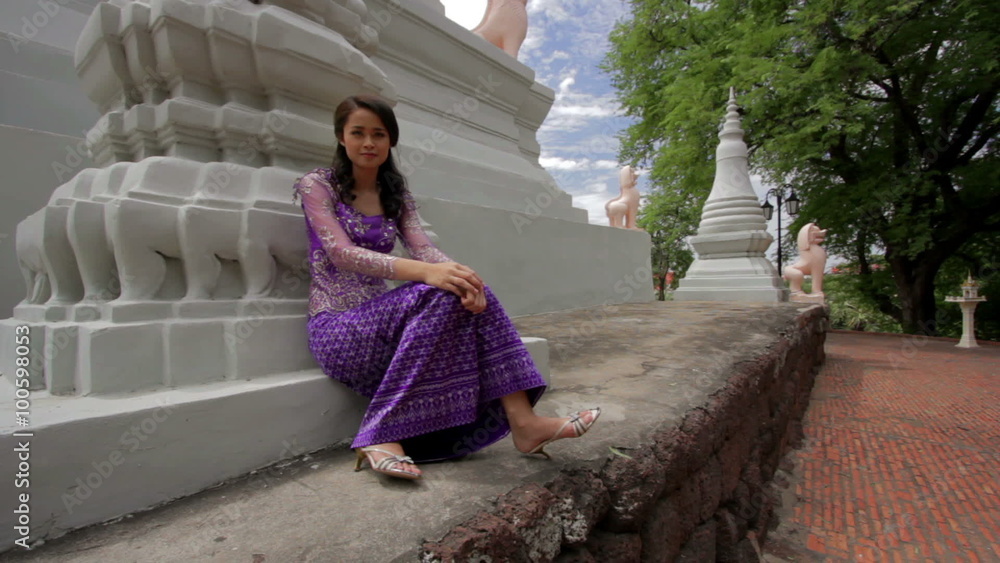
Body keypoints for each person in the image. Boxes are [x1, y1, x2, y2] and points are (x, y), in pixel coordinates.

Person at [292, 95, 600, 480]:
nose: (368, 143)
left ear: (391, 141)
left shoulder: (395, 195)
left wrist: (463, 275)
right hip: (339, 329)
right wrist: (426, 273)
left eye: (379, 134)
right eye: (358, 133)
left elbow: (424, 248)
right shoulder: (317, 186)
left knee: (471, 290)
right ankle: (380, 435)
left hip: (386, 330)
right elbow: (341, 253)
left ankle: (525, 424)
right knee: (437, 289)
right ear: (341, 138)